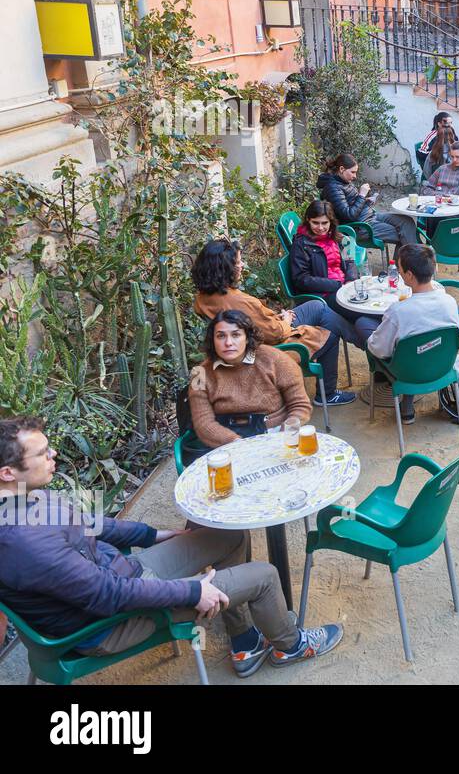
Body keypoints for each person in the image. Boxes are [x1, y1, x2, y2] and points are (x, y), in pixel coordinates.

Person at [0, 416, 342, 676]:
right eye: (43, 452)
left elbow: (91, 523)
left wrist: (152, 536)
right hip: (111, 621)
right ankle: (290, 646)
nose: (53, 454)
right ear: (7, 473)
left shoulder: (25, 495)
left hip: (125, 577)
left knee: (230, 534)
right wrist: (192, 593)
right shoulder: (24, 544)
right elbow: (108, 595)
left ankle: (245, 641)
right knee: (265, 575)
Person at [191, 239, 356, 406]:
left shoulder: (203, 297)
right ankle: (328, 393)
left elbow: (254, 321)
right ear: (225, 268)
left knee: (317, 306)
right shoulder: (237, 300)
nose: (242, 265)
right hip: (269, 349)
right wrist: (285, 320)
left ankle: (362, 340)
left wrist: (279, 317)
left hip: (258, 334)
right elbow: (275, 334)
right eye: (238, 262)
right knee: (330, 333)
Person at [187, 310, 315, 450]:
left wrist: (284, 436)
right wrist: (238, 445)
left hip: (276, 433)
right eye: (221, 336)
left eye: (236, 335)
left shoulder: (276, 360)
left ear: (247, 337)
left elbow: (300, 405)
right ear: (213, 340)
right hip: (227, 441)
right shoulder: (199, 374)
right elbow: (203, 423)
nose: (228, 342)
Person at [365, 244, 459, 424]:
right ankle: (407, 404)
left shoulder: (398, 312)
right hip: (442, 366)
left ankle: (400, 396)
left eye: (400, 269)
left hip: (408, 372)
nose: (399, 273)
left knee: (363, 325)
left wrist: (373, 335)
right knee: (415, 344)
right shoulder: (449, 301)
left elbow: (379, 350)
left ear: (409, 275)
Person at [289, 200, 378, 345]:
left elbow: (349, 260)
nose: (320, 227)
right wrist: (336, 285)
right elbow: (301, 279)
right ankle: (371, 346)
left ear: (331, 222)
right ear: (308, 221)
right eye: (315, 223)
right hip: (323, 293)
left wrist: (350, 279)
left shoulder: (336, 237)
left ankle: (373, 346)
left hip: (344, 287)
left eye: (325, 223)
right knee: (364, 313)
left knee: (372, 306)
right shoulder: (301, 244)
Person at [317, 153, 422, 246]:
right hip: (360, 227)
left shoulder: (343, 181)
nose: (355, 176)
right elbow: (349, 215)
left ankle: (406, 265)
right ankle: (409, 266)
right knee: (405, 234)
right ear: (341, 169)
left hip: (370, 216)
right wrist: (362, 195)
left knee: (407, 221)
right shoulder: (332, 188)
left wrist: (366, 200)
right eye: (352, 172)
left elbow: (351, 202)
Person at [417, 111, 457, 179]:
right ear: (439, 124)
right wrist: (435, 154)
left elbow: (456, 146)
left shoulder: (451, 133)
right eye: (446, 122)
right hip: (435, 167)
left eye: (451, 123)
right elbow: (421, 153)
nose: (449, 125)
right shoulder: (433, 135)